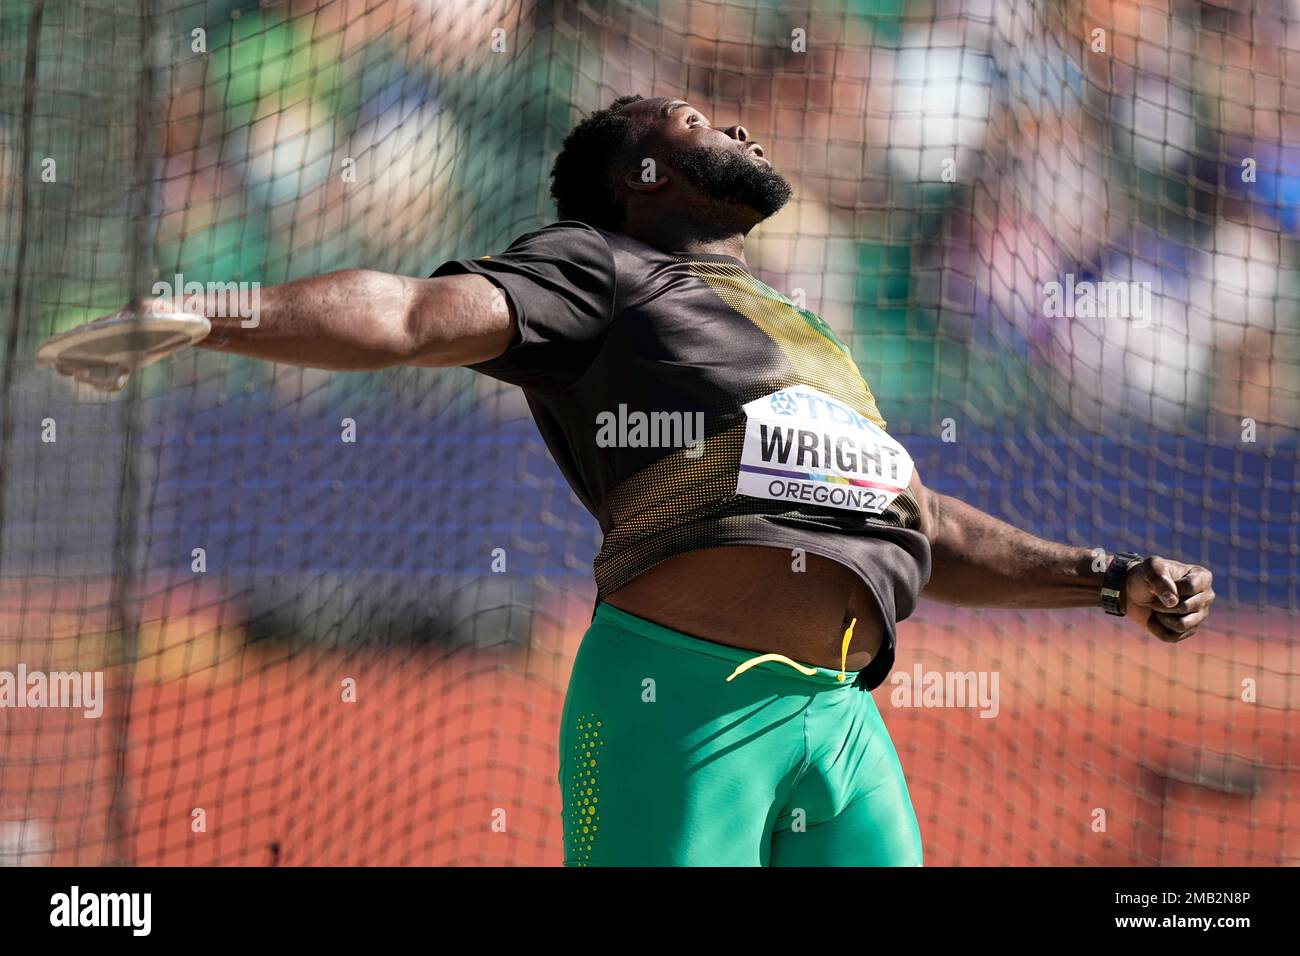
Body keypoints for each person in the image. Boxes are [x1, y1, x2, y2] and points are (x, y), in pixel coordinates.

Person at [47, 94, 1215, 866]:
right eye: (702, 120)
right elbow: (407, 314)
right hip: (681, 705)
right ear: (641, 175)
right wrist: (209, 312)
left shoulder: (801, 322)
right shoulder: (598, 266)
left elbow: (910, 519)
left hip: (843, 721)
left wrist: (1104, 579)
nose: (743, 129)